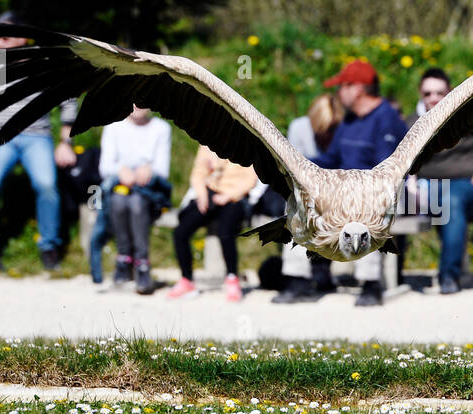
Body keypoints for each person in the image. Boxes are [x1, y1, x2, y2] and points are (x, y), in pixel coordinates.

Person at [279, 59, 407, 306]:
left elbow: (388, 171)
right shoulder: (349, 121)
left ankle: (370, 285)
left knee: (363, 213)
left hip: (381, 196)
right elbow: (331, 159)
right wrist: (297, 169)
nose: (338, 93)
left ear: (357, 88)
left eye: (342, 87)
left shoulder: (386, 119)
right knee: (298, 208)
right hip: (341, 193)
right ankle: (298, 280)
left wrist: (354, 193)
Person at [0, 12, 77, 271]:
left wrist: (64, 142)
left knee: (47, 185)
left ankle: (49, 245)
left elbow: (68, 102)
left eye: (7, 33)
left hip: (37, 137)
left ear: (24, 38)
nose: (0, 39)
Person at [403, 67, 473, 294]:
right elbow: (402, 156)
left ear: (450, 92)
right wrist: (410, 182)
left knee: (451, 200)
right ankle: (381, 277)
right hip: (427, 189)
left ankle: (449, 276)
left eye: (439, 93)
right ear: (420, 94)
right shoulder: (412, 122)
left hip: (469, 187)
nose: (433, 98)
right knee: (390, 201)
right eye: (427, 94)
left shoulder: (467, 112)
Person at [271, 92, 344, 299]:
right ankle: (297, 278)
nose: (327, 134)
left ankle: (320, 270)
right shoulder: (299, 128)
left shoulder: (341, 129)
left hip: (334, 191)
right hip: (303, 191)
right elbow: (293, 170)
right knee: (298, 213)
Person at [166, 146, 258, 301]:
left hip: (236, 197)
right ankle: (186, 279)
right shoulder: (208, 141)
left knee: (226, 230)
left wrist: (229, 195)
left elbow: (251, 179)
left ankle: (232, 278)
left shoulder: (248, 142)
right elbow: (198, 172)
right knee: (180, 231)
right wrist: (201, 193)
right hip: (210, 192)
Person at [100, 106, 172, 294]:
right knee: (119, 201)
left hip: (150, 193)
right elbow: (105, 165)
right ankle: (125, 258)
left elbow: (162, 169)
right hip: (120, 188)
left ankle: (141, 262)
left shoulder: (161, 128)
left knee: (137, 203)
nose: (138, 105)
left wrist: (149, 171)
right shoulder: (113, 126)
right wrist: (121, 171)